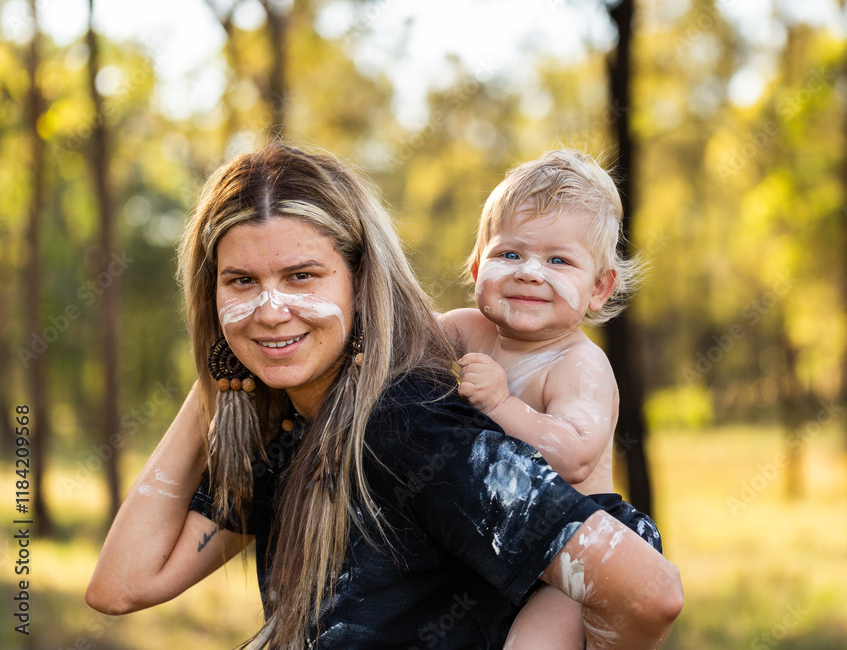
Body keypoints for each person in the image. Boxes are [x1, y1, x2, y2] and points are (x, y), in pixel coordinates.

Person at [86, 143, 682, 649]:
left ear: (360, 279)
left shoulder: (408, 423)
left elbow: (649, 592)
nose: (271, 309)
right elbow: (121, 585)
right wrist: (225, 359)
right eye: (241, 281)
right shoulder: (299, 421)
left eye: (301, 276)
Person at [438, 149, 660, 649]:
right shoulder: (466, 330)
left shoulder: (578, 364)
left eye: (558, 260)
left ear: (599, 287)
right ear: (476, 268)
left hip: (572, 560)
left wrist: (501, 405)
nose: (530, 273)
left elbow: (577, 454)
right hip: (496, 548)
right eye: (509, 254)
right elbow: (396, 343)